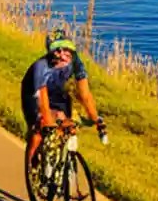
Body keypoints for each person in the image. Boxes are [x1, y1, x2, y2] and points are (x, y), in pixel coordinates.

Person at [22, 27, 106, 167]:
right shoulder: (41, 67)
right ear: (50, 52)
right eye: (57, 50)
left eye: (66, 49)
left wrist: (95, 118)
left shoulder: (75, 62)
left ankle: (58, 164)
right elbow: (42, 103)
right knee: (39, 130)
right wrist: (48, 124)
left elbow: (85, 94)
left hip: (56, 92)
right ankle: (31, 164)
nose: (62, 54)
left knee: (68, 126)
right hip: (33, 93)